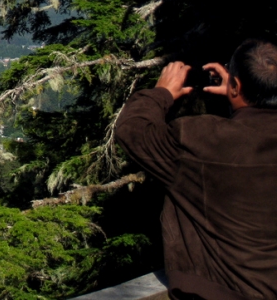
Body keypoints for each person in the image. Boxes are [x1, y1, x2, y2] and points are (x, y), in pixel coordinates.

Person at [116, 39, 277, 300]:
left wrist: (162, 92)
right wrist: (238, 93)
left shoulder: (202, 140)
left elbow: (133, 130)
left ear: (236, 85)